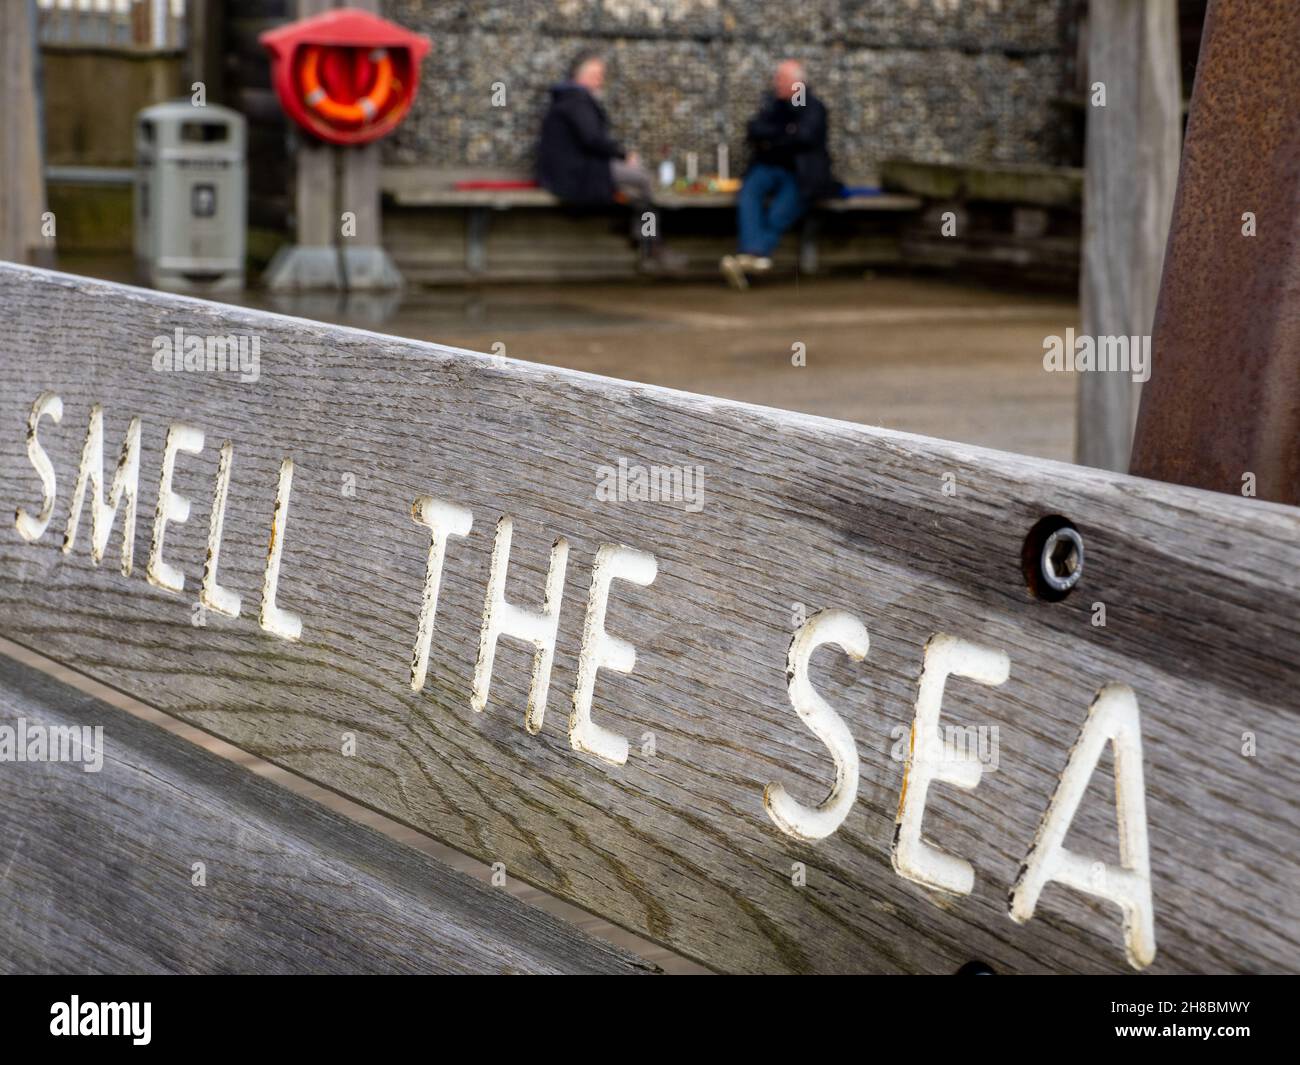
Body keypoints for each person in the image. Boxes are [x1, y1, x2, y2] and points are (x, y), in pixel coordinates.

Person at [536, 51, 686, 274]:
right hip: (577, 172)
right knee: (644, 180)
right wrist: (624, 155)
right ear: (582, 77)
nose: (601, 80)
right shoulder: (577, 101)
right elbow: (593, 139)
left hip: (573, 170)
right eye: (597, 75)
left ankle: (645, 241)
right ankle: (651, 246)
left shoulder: (569, 98)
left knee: (638, 193)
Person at [720, 60, 841, 290]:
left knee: (780, 211)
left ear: (798, 83)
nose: (777, 83)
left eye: (782, 79)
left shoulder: (807, 104)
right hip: (768, 167)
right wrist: (785, 133)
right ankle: (754, 257)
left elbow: (804, 136)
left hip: (800, 174)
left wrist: (777, 136)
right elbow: (755, 130)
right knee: (748, 194)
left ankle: (752, 254)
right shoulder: (773, 104)